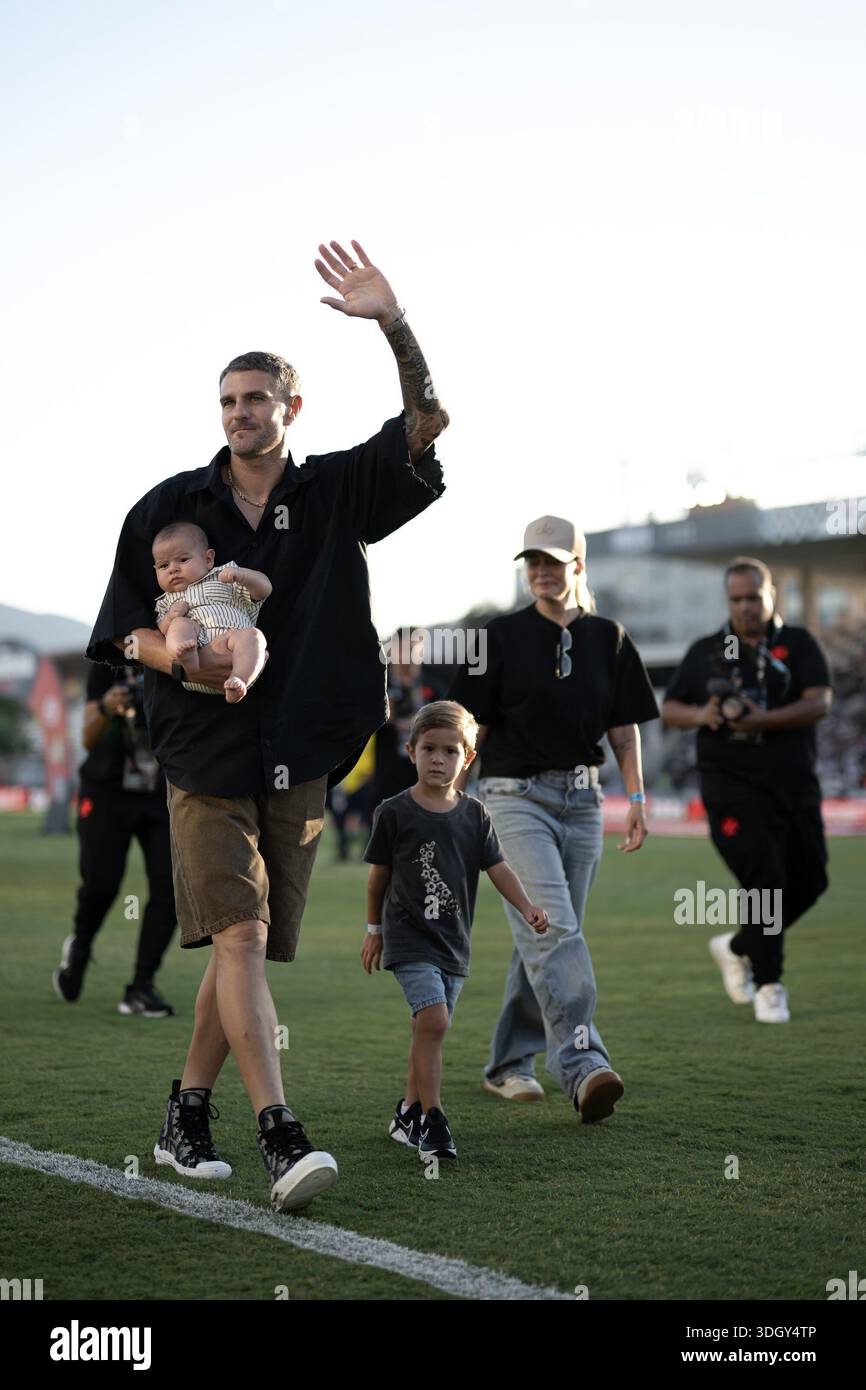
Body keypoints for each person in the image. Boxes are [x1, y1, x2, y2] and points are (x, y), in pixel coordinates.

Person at [86, 238, 449, 1212]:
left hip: (302, 754)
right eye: (228, 400)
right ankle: (278, 1133)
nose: (241, 412)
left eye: (258, 397)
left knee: (241, 949)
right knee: (239, 941)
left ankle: (185, 1108)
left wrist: (394, 323)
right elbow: (119, 628)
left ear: (292, 409)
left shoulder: (334, 491)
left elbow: (425, 423)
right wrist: (189, 662)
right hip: (201, 750)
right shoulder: (168, 507)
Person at [449, 515, 659, 1122]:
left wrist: (638, 799)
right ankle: (583, 1063)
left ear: (578, 565)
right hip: (513, 797)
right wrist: (449, 801)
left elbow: (624, 730)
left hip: (585, 802)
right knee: (555, 932)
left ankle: (508, 1064)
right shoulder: (500, 635)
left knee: (541, 934)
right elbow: (473, 728)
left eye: (552, 560)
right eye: (531, 561)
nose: (540, 570)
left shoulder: (610, 638)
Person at [361, 701, 548, 1162]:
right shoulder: (393, 812)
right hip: (407, 938)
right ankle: (434, 1119)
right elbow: (378, 877)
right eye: (429, 749)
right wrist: (373, 929)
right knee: (435, 1021)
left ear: (467, 758)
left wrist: (527, 907)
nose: (438, 759)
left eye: (450, 751)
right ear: (411, 751)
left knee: (428, 1027)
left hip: (453, 942)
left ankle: (407, 1111)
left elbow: (498, 868)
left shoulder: (475, 815)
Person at [661, 556, 833, 1023]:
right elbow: (672, 706)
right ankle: (771, 983)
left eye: (753, 597)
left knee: (813, 879)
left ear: (771, 593)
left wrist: (764, 720)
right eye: (735, 599)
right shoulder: (708, 650)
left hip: (794, 783)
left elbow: (820, 701)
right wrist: (703, 715)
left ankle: (738, 946)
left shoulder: (798, 644)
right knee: (767, 881)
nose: (744, 607)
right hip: (730, 786)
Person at [53, 663, 177, 1018]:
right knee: (101, 885)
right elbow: (87, 738)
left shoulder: (179, 656)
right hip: (107, 791)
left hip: (159, 793)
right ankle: (80, 948)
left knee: (170, 889)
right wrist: (109, 707)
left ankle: (141, 986)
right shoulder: (106, 661)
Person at [152, 522, 271, 701]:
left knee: (254, 636)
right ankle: (185, 656)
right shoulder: (166, 600)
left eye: (183, 560)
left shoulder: (224, 577)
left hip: (235, 644)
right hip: (195, 655)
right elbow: (162, 629)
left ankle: (239, 679)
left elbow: (264, 590)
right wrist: (170, 618)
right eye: (163, 566)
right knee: (179, 624)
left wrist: (243, 576)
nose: (173, 569)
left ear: (208, 559)